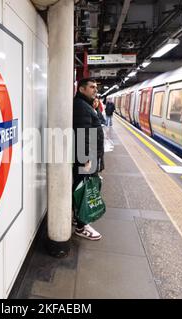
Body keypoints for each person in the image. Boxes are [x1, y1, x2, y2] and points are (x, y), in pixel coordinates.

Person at [72, 78, 104, 241]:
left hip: (88, 155)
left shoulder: (85, 105)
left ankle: (78, 218)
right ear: (82, 89)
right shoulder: (81, 107)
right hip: (86, 157)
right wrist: (86, 158)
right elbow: (83, 133)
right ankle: (81, 225)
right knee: (84, 190)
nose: (95, 90)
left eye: (96, 87)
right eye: (91, 87)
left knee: (81, 187)